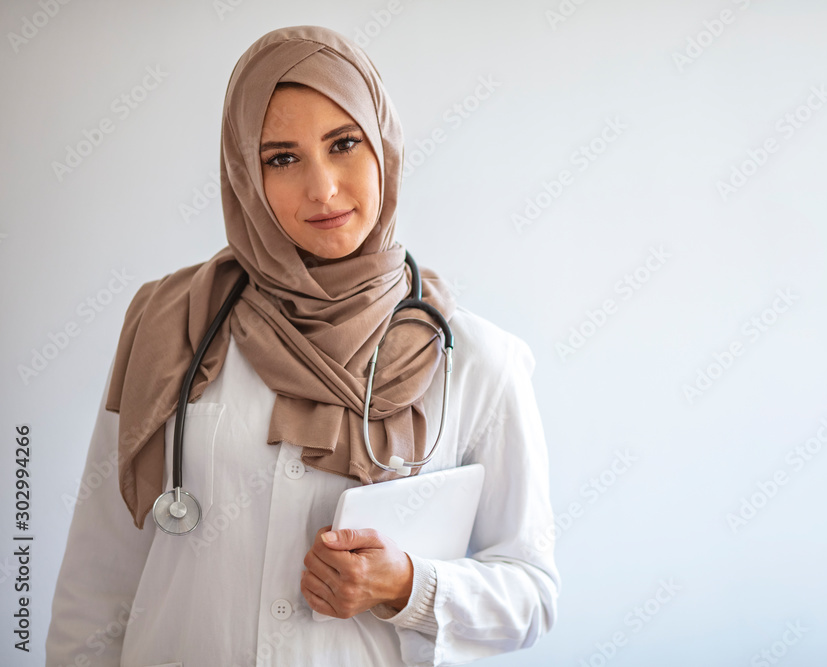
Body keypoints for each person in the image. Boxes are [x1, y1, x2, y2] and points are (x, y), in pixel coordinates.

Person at [45, 25, 559, 666]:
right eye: (281, 158)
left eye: (343, 144)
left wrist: (408, 584)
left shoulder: (478, 359)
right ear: (244, 176)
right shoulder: (170, 322)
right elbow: (98, 578)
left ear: (383, 148)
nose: (322, 189)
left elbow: (531, 594)